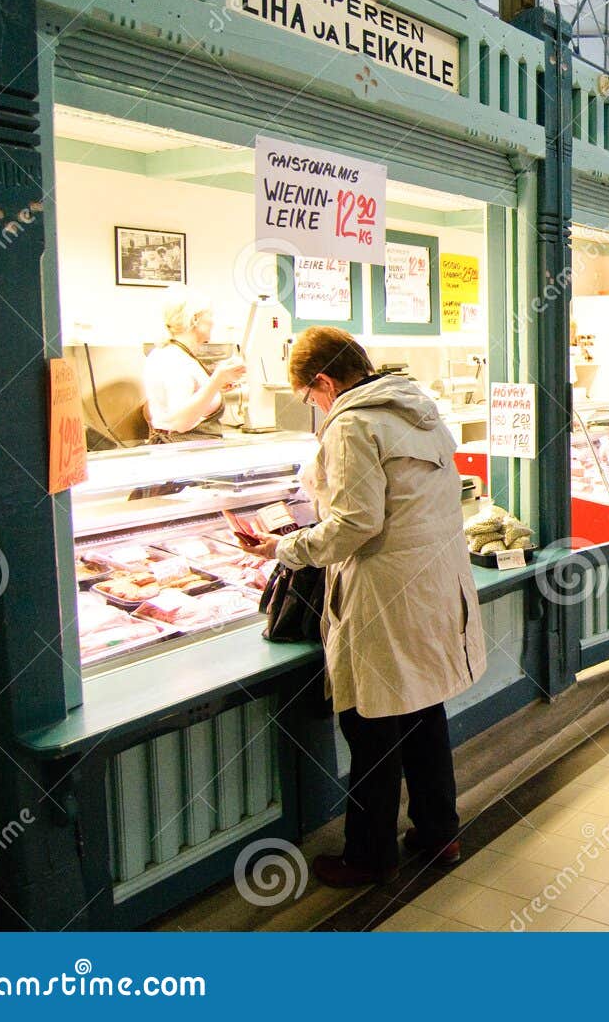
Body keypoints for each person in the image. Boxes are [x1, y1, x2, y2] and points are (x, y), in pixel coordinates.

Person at [236, 327, 486, 887]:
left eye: (307, 397)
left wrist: (284, 548)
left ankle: (368, 857)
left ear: (323, 381)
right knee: (423, 714)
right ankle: (439, 832)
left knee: (371, 727)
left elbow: (356, 524)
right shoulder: (420, 408)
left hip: (384, 598)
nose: (313, 407)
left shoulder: (351, 423)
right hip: (434, 588)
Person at [143, 288, 245, 443]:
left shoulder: (169, 353)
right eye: (210, 315)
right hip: (184, 453)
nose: (213, 322)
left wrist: (215, 386)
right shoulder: (175, 359)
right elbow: (181, 422)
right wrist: (217, 380)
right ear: (195, 319)